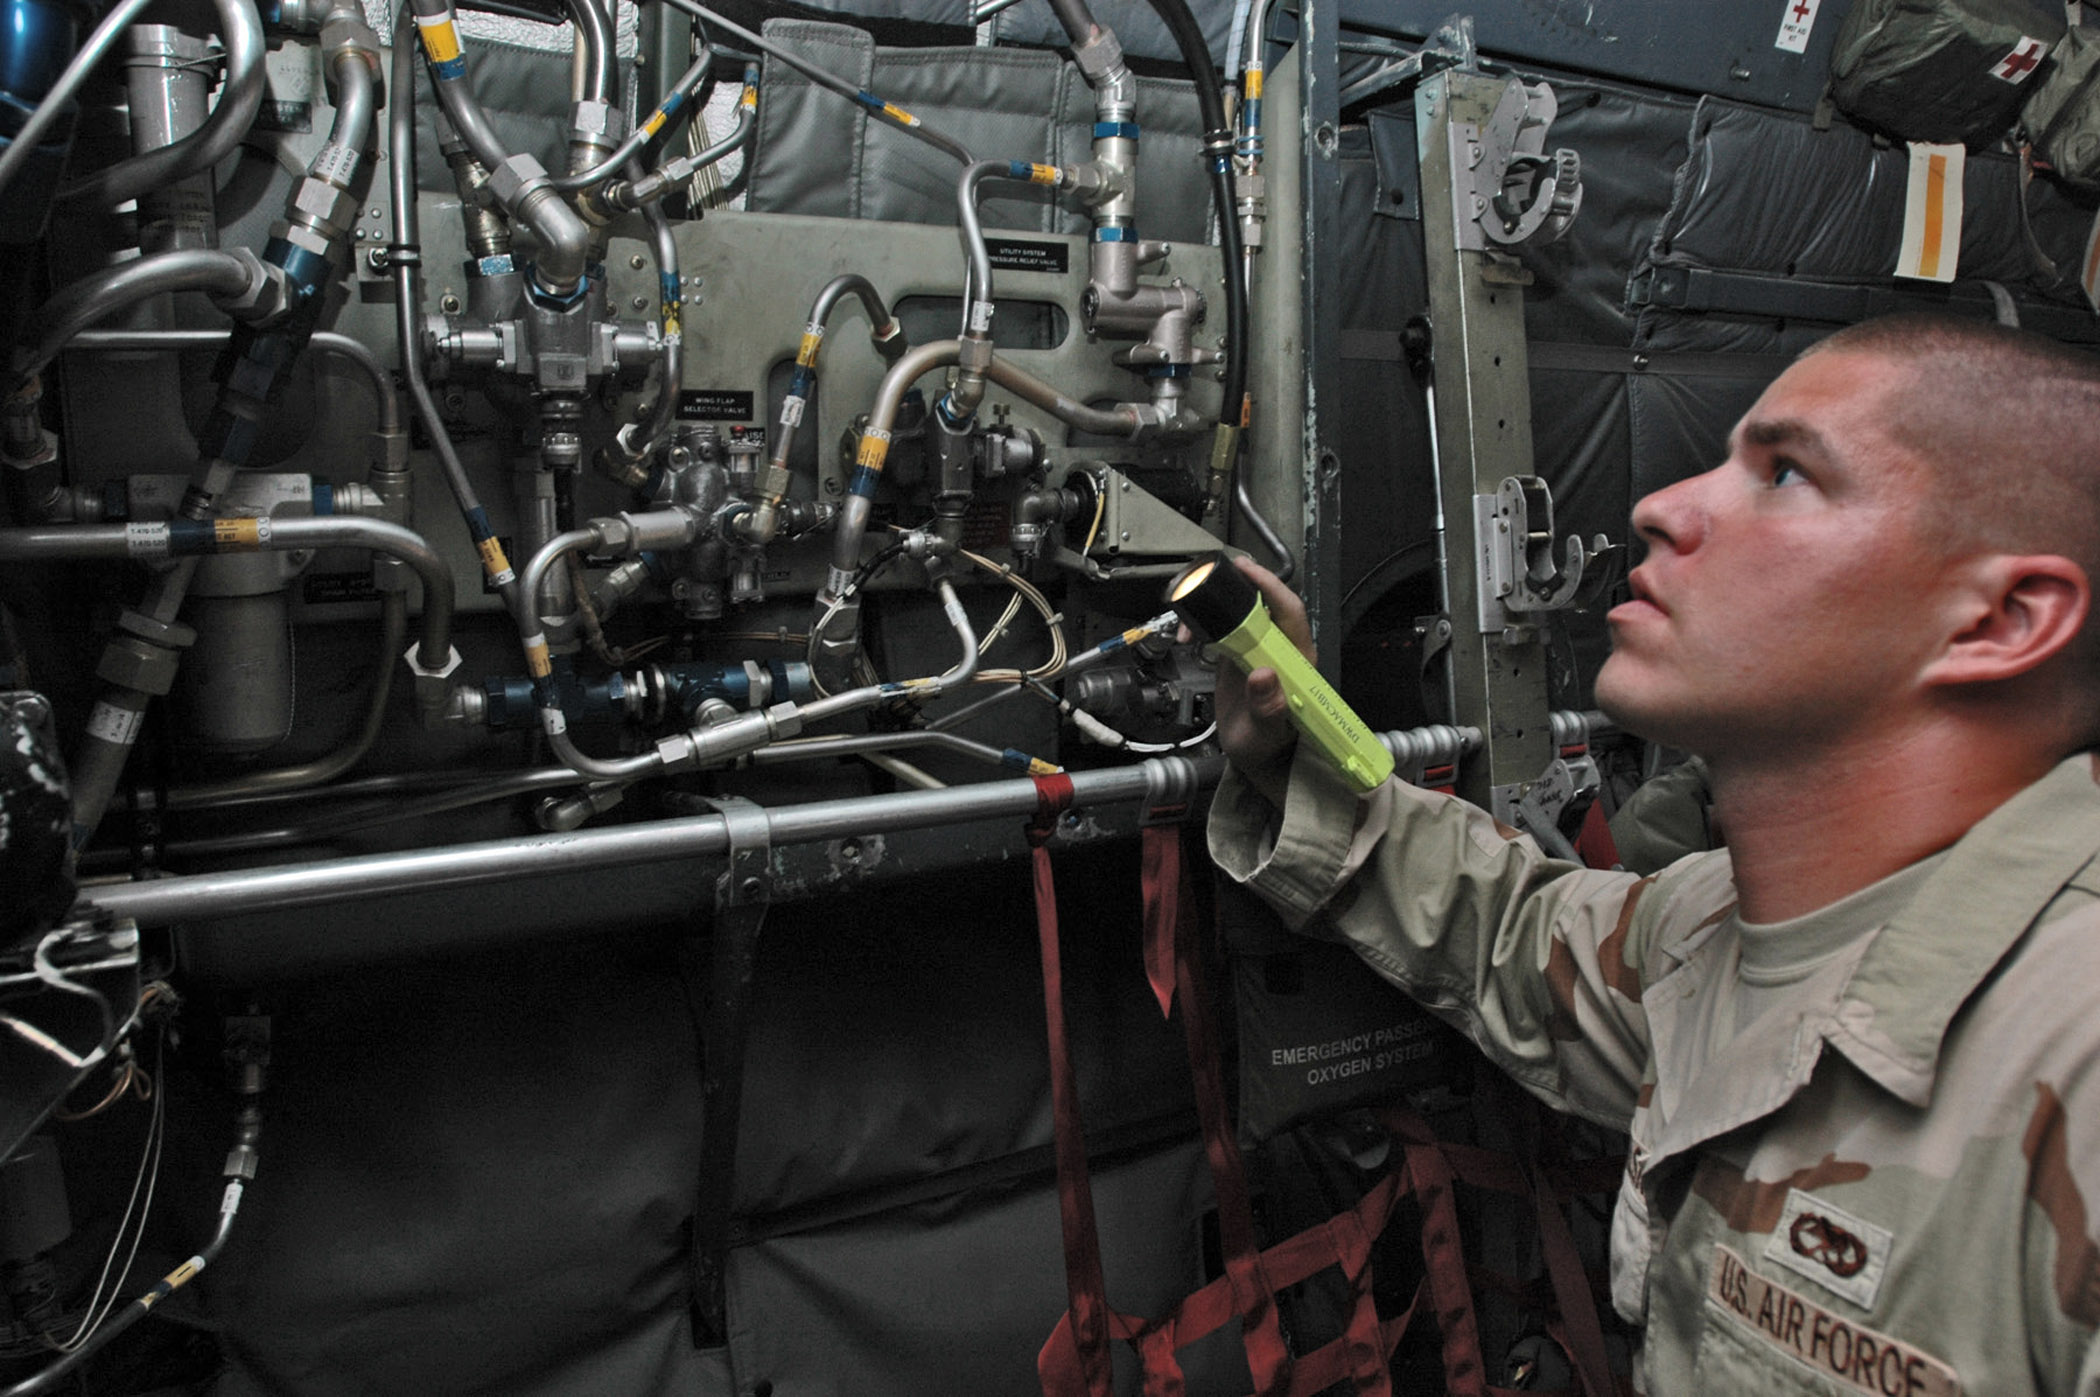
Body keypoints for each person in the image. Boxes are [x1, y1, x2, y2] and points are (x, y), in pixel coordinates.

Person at [1207, 312, 2100, 1395]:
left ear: (2002, 618)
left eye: (1784, 475)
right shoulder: (1714, 928)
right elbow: (1512, 930)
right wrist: (1302, 749)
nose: (1660, 507)